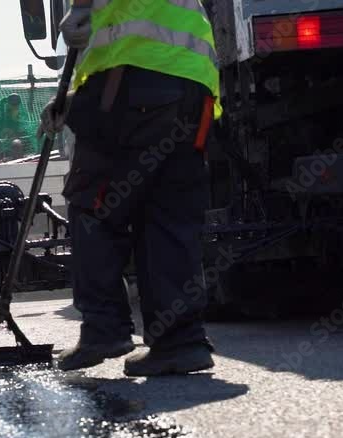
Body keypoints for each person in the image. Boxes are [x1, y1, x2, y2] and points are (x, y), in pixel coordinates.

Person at [40, 0, 221, 376]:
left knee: (93, 205)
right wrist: (76, 102)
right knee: (166, 216)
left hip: (135, 84)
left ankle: (105, 329)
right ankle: (180, 342)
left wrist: (79, 7)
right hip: (190, 88)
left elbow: (129, 41)